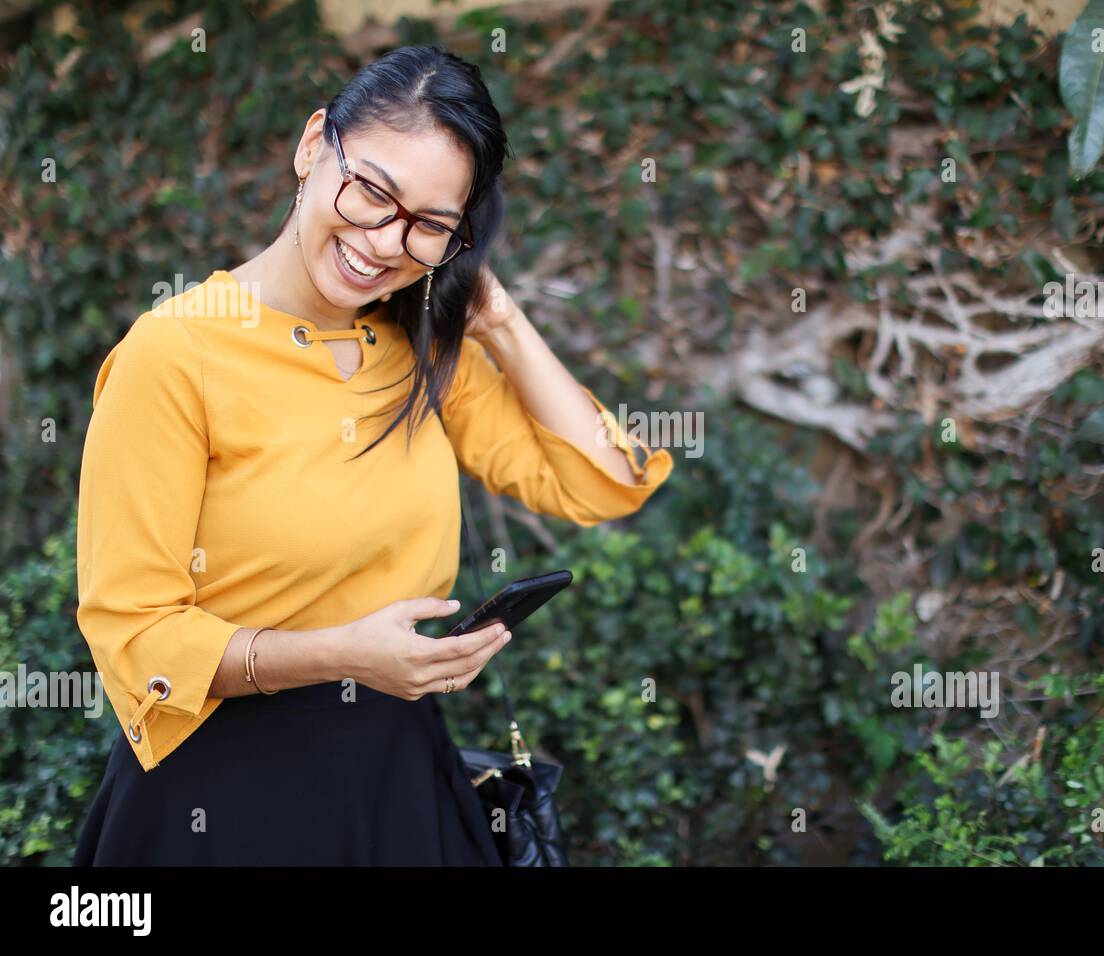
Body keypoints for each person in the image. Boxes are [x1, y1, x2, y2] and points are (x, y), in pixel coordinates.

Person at [72, 44, 674, 866]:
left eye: (429, 226)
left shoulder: (418, 351)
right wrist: (344, 655)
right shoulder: (174, 354)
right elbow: (136, 640)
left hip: (395, 776)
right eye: (373, 193)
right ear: (315, 143)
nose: (383, 242)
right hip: (221, 799)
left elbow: (604, 483)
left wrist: (496, 319)